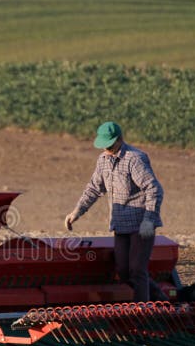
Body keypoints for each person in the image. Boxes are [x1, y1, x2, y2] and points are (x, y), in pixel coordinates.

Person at [64, 121, 165, 302]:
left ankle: (143, 312)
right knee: (124, 271)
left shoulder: (135, 159)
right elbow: (94, 189)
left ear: (120, 139)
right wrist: (77, 211)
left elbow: (154, 189)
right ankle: (161, 299)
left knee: (137, 269)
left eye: (110, 145)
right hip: (119, 224)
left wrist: (149, 219)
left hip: (141, 225)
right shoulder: (103, 161)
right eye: (104, 146)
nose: (108, 150)